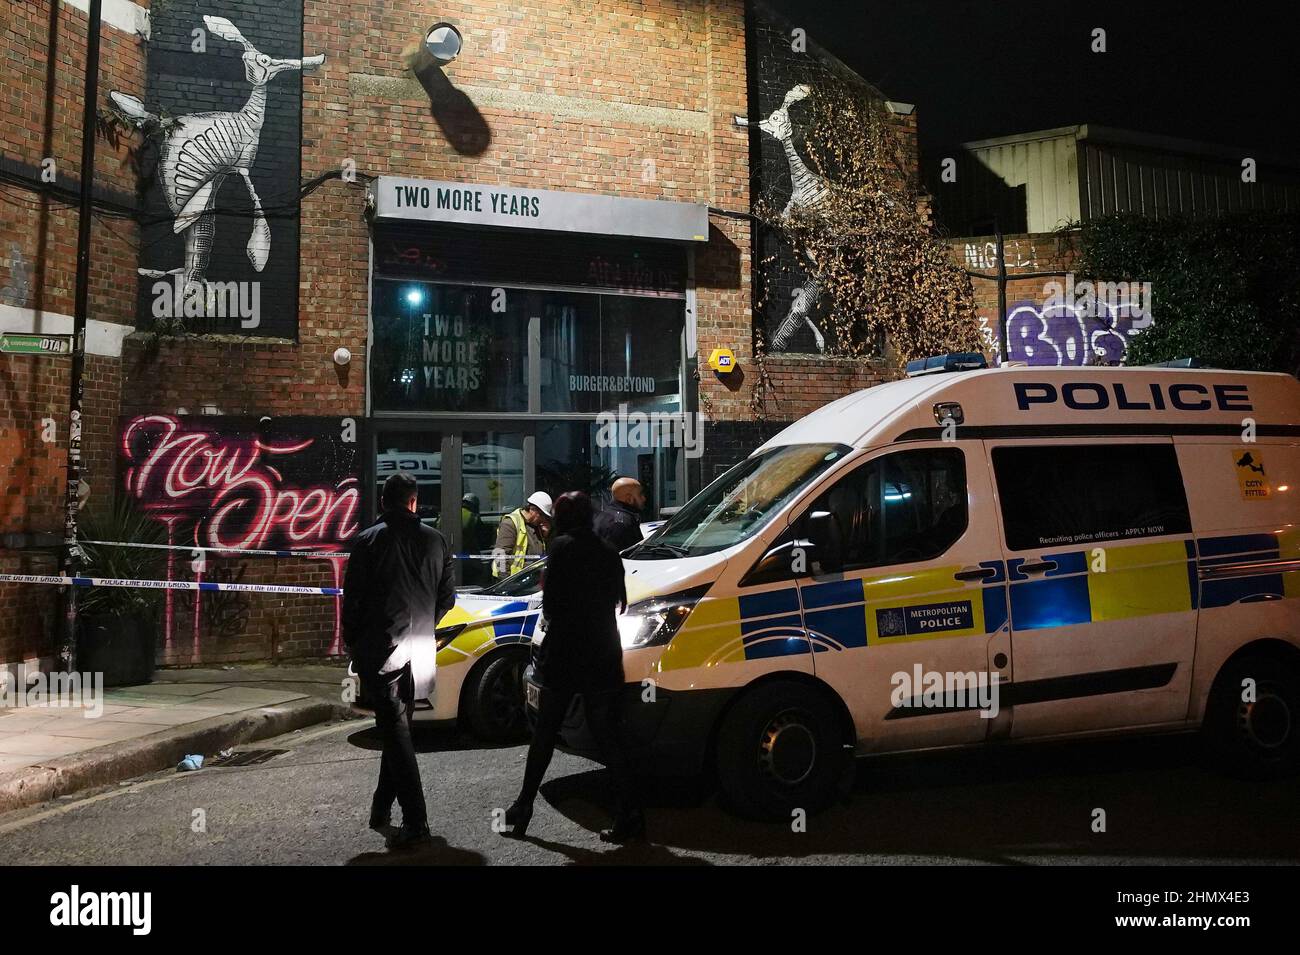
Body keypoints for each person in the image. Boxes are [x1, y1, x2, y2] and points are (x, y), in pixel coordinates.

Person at [501, 491, 645, 843]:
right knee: (608, 736)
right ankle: (630, 814)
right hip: (603, 655)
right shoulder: (609, 553)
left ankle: (522, 808)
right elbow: (618, 603)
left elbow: (551, 607)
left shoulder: (562, 548)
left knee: (545, 735)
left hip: (565, 656)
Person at [343, 471, 455, 850]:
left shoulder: (367, 542)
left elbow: (353, 601)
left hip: (381, 650)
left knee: (395, 730)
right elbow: (447, 599)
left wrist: (352, 646)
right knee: (397, 729)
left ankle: (416, 819)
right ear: (413, 502)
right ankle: (381, 806)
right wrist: (425, 623)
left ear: (382, 503)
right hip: (421, 648)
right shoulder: (437, 541)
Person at [492, 490, 552, 578]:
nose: (543, 519)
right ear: (532, 509)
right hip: (513, 581)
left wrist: (546, 535)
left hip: (530, 580)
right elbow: (501, 555)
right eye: (542, 515)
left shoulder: (537, 526)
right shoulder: (510, 523)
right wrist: (505, 582)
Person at [593, 476, 646, 553]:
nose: (644, 498)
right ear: (629, 499)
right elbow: (631, 555)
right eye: (640, 494)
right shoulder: (623, 521)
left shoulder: (602, 515)